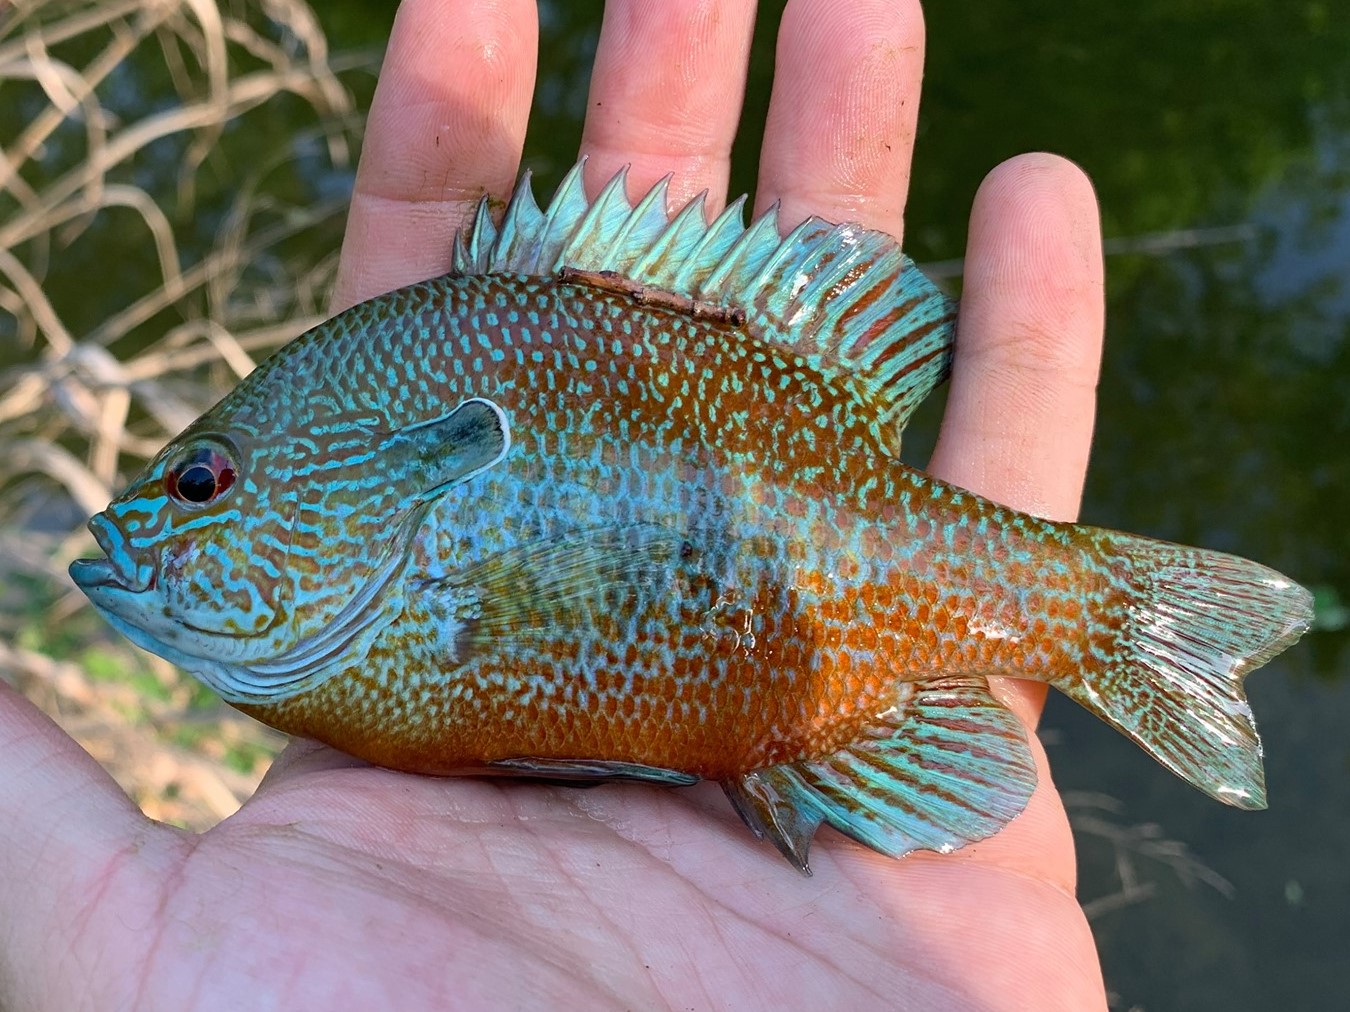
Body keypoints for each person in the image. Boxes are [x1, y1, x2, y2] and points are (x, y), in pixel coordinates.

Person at [0, 0, 1109, 1007]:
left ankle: (1106, 610)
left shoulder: (392, 600)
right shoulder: (370, 633)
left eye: (203, 483)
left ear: (396, 473)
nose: (156, 527)